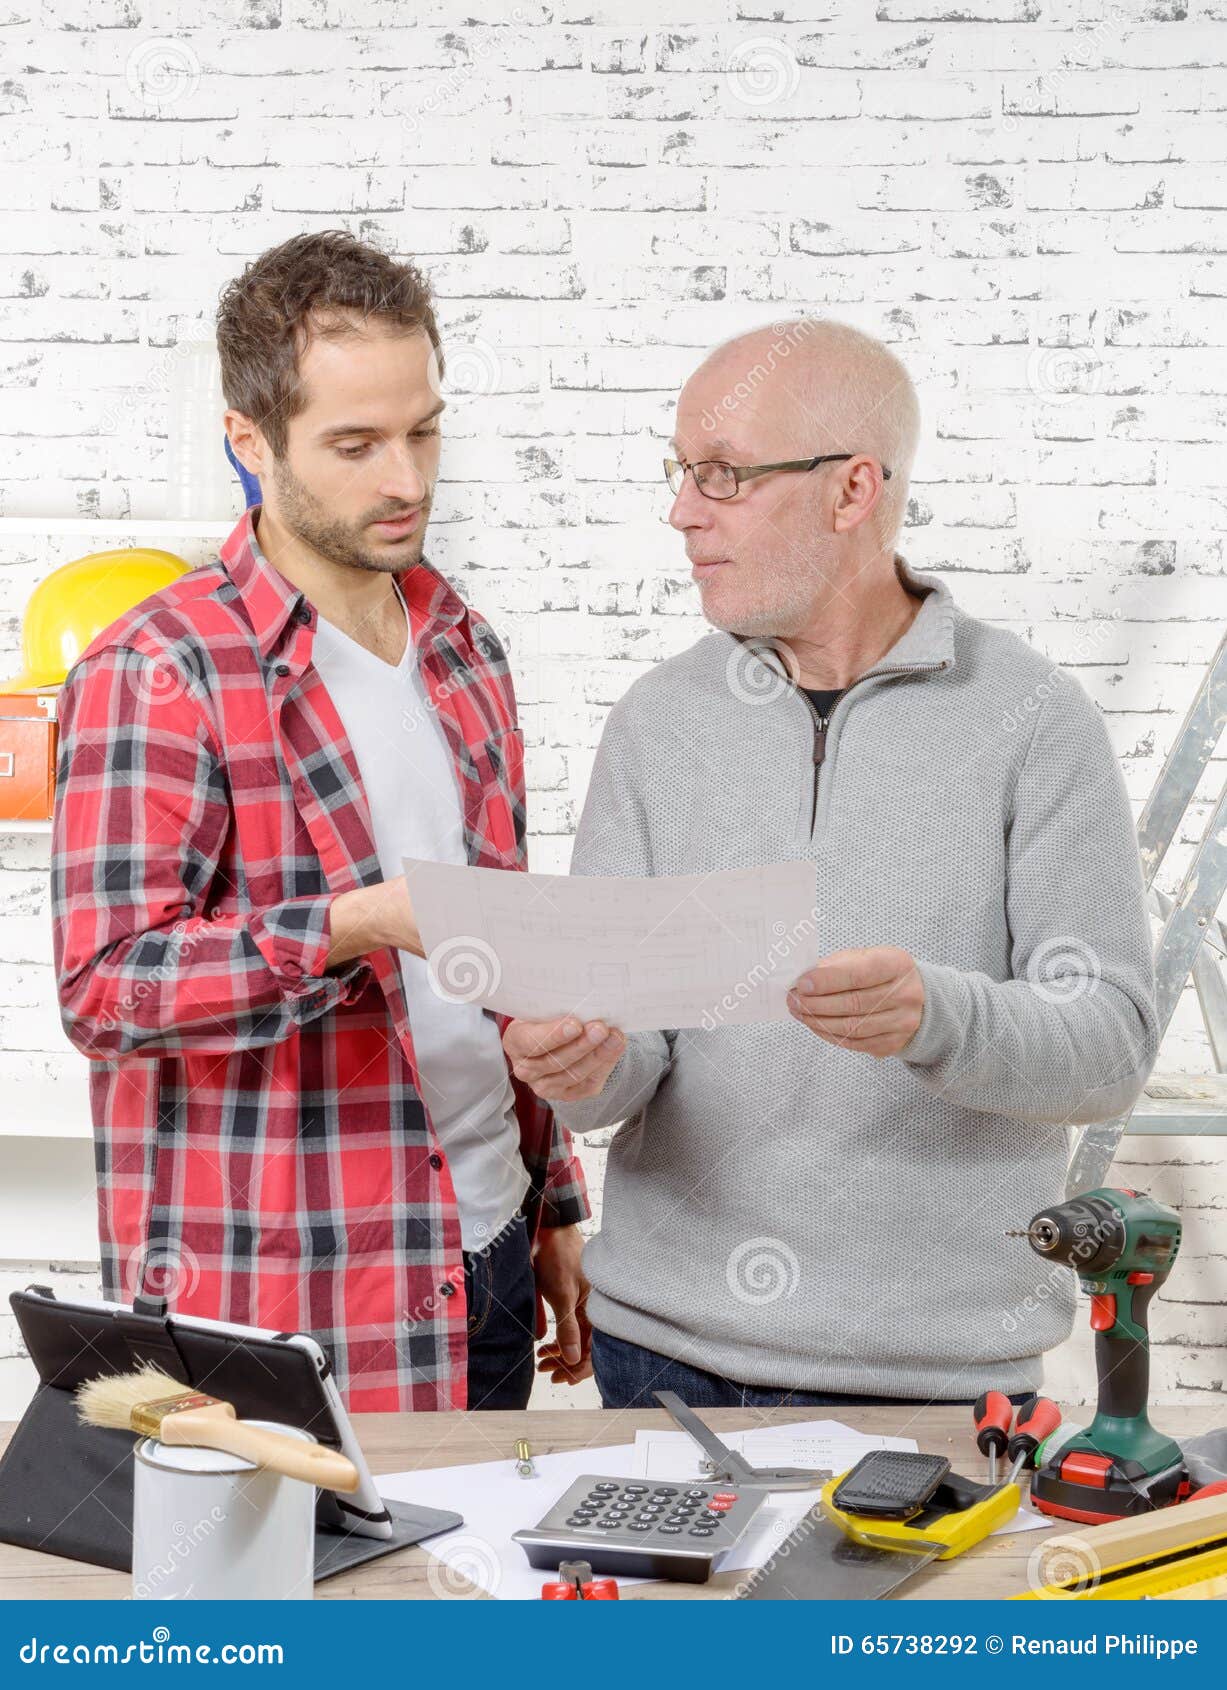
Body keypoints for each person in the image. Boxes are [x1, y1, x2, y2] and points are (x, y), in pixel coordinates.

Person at [503, 318, 1159, 1411]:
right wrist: (580, 1063)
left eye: (723, 476)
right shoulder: (659, 723)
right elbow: (628, 1059)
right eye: (680, 473)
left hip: (938, 1383)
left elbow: (1112, 1048)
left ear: (853, 491)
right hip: (659, 1360)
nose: (681, 510)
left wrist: (938, 1018)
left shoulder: (1036, 720)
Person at [50, 230, 590, 1412]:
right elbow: (104, 989)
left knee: (468, 1593)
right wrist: (352, 924)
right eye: (356, 445)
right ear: (249, 441)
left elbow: (498, 950)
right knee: (313, 1604)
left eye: (424, 430)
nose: (408, 479)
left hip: (486, 1251)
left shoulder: (463, 644)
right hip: (290, 1295)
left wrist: (551, 1200)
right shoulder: (161, 667)